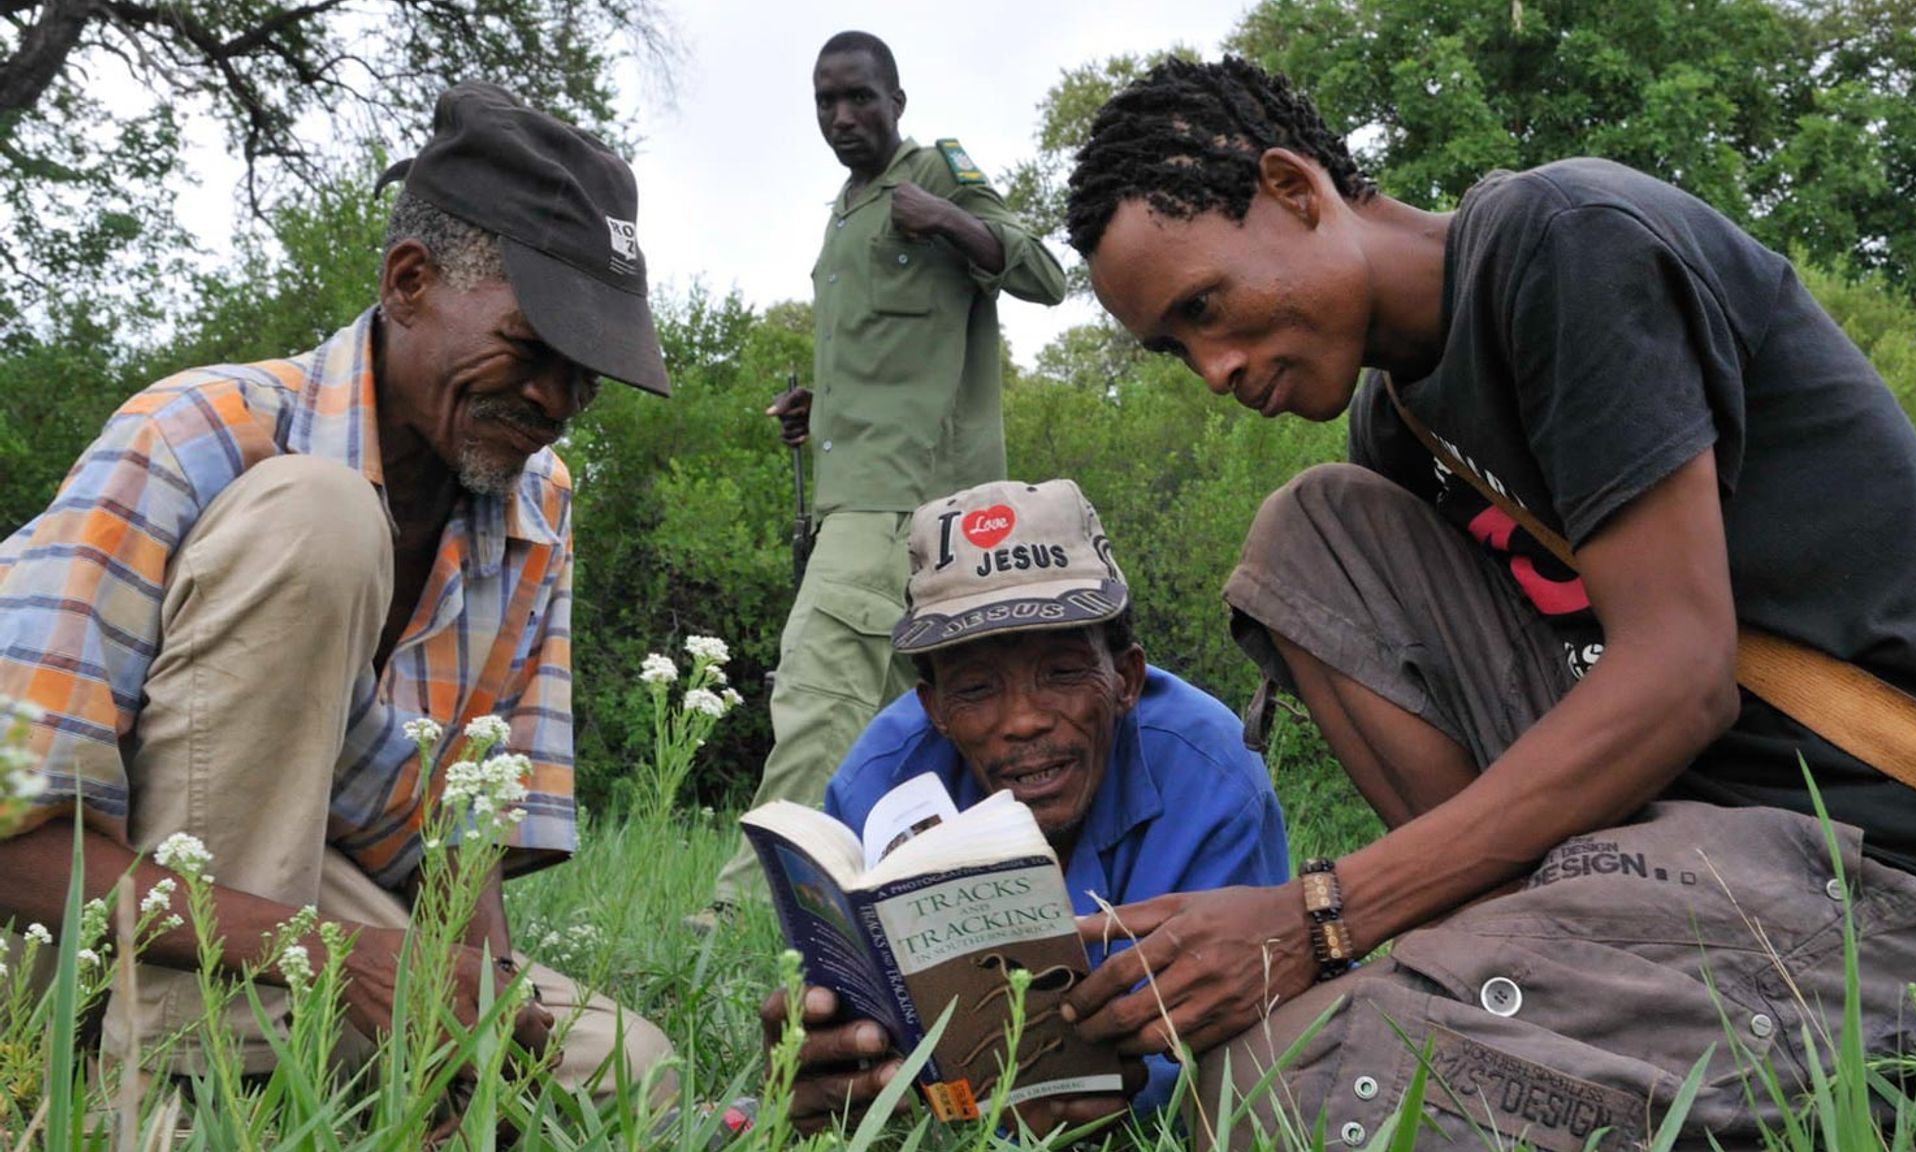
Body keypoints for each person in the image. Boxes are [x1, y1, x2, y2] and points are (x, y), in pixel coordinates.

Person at [1056, 56, 1916, 1149]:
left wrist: (1321, 917)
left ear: (1295, 191)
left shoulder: (1566, 241)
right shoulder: (1396, 429)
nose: (1212, 368)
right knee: (1312, 533)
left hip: (1883, 872)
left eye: (1205, 307)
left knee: (1290, 1097)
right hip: (1665, 843)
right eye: (1173, 346)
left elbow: (1679, 680)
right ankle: (1509, 944)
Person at [0, 82, 676, 1107]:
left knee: (628, 1073)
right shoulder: (194, 434)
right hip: (68, 942)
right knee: (320, 515)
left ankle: (278, 1075)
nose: (553, 405)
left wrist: (478, 1017)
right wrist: (332, 952)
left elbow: (464, 830)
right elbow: (14, 847)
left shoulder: (533, 504)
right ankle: (175, 1098)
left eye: (584, 377)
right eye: (532, 349)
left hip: (284, 934)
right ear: (408, 282)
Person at [759, 478, 1290, 1136]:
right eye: (977, 688)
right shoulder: (876, 783)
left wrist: (1144, 1094)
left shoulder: (1212, 774)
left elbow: (1258, 1021)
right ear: (936, 711)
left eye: (1063, 673)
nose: (1024, 721)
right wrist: (817, 1064)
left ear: (1124, 679)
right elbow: (844, 1014)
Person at [713, 31, 1068, 910]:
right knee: (915, 734)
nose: (842, 117)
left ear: (896, 100)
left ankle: (739, 918)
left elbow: (1047, 273)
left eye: (860, 98)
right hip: (859, 503)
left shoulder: (935, 175)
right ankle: (942, 915)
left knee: (813, 702)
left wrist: (947, 220)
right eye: (825, 102)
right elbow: (893, 359)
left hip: (897, 510)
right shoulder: (845, 210)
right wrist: (817, 414)